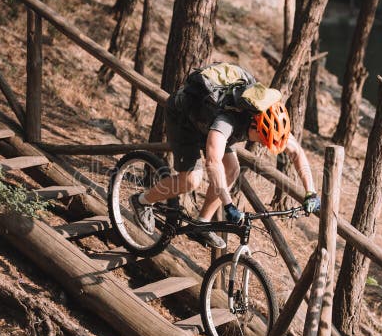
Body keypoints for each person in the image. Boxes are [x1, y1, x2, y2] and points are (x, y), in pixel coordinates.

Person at [130, 62, 321, 249]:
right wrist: (228, 205)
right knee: (191, 180)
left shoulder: (269, 118)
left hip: (208, 121)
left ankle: (201, 225)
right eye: (262, 139)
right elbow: (213, 162)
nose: (262, 144)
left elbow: (296, 152)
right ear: (255, 125)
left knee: (232, 169)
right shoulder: (227, 122)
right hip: (184, 118)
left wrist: (310, 192)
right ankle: (141, 201)